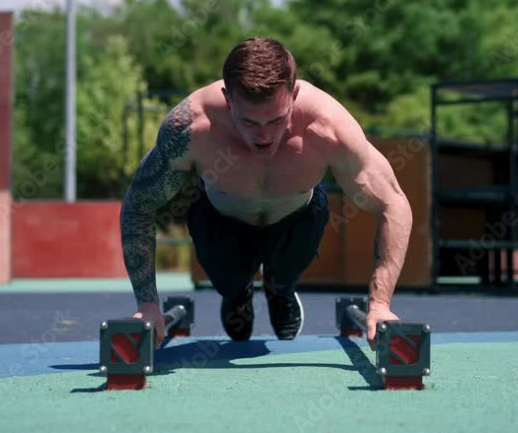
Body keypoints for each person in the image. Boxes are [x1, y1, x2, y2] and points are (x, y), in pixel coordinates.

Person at [120, 37, 413, 348]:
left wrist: (380, 304)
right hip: (220, 221)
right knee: (230, 282)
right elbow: (139, 205)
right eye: (248, 121)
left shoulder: (329, 127)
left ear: (294, 94)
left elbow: (393, 203)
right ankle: (237, 295)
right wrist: (147, 306)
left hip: (297, 219)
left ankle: (281, 290)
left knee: (283, 276)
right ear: (228, 99)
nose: (264, 135)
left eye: (276, 119)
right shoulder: (191, 127)